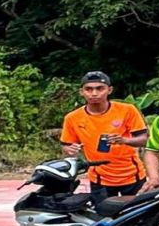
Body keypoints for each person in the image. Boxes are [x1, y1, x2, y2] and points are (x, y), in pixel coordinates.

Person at [59, 71, 146, 199]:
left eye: (100, 88)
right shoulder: (73, 118)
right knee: (102, 216)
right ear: (81, 92)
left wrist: (124, 140)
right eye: (89, 89)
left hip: (132, 175)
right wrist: (69, 149)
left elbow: (144, 139)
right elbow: (65, 145)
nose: (94, 93)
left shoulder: (127, 110)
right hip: (99, 178)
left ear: (109, 90)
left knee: (136, 216)